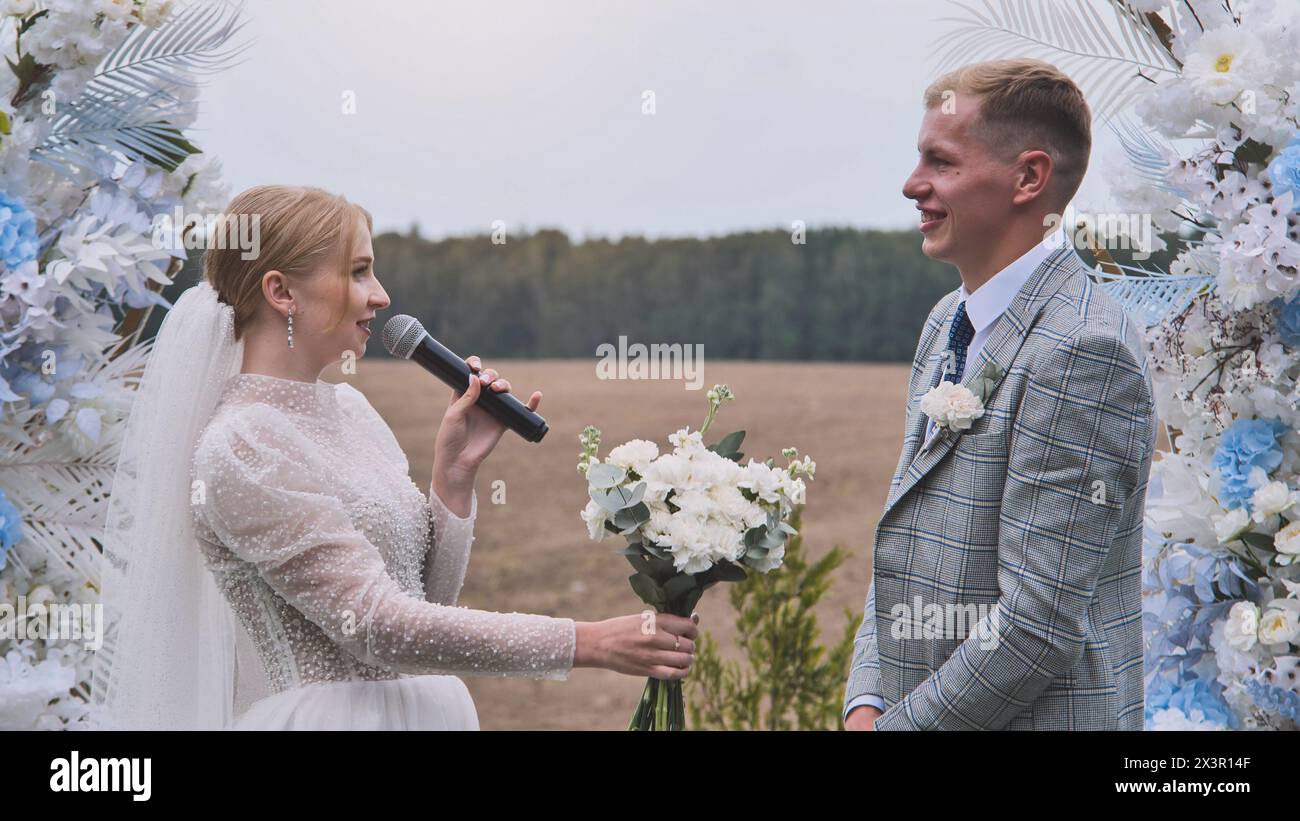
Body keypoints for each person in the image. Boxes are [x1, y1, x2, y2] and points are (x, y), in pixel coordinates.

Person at [92, 184, 697, 730]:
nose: (380, 296)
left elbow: (424, 604)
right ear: (280, 292)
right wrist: (585, 642)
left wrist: (453, 479)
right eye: (358, 273)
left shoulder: (353, 412)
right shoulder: (244, 446)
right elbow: (377, 628)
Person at [843, 59, 1156, 730]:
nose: (912, 184)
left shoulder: (1084, 350)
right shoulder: (945, 323)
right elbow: (903, 539)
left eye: (942, 162)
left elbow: (1037, 623)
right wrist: (865, 699)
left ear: (1028, 177)